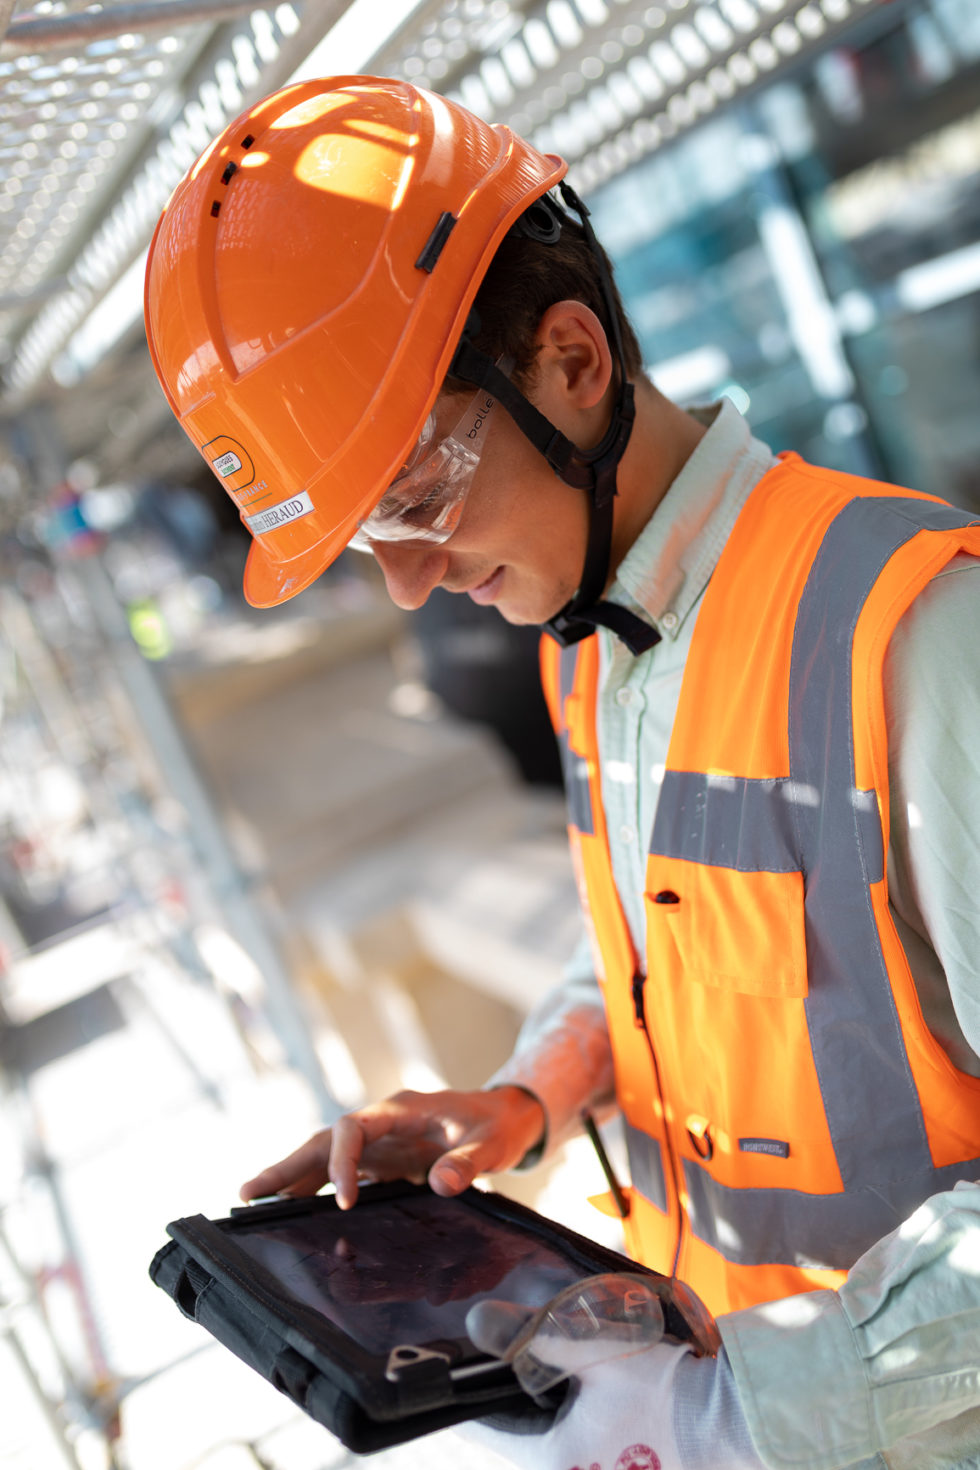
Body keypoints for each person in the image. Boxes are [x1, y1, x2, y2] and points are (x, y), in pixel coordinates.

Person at [144, 75, 980, 1469]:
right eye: (367, 541)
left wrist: (750, 1404)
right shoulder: (583, 647)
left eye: (415, 502)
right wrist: (526, 1095)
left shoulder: (918, 635)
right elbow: (664, 953)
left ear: (571, 361)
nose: (409, 584)